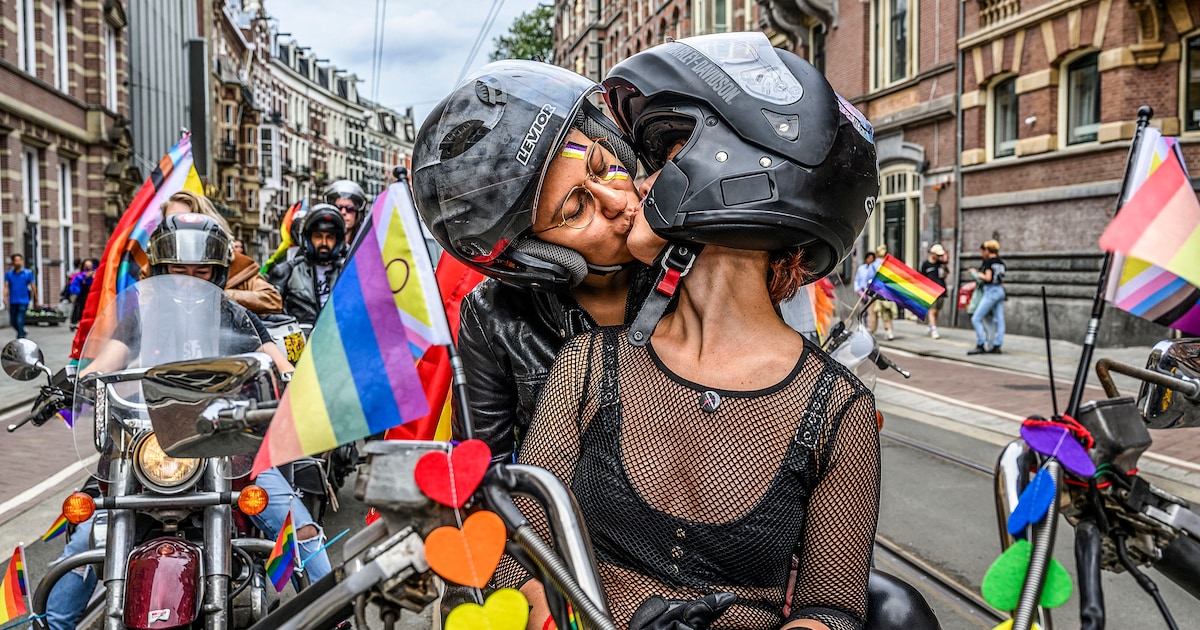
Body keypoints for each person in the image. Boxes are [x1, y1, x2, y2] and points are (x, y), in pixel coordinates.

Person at [507, 33, 882, 630]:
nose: (640, 185)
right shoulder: (587, 365)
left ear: (729, 173)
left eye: (666, 159)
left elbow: (831, 607)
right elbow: (520, 547)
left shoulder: (839, 408)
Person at [46, 215, 327, 630]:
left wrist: (294, 375)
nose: (188, 280)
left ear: (216, 274)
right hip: (148, 441)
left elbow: (271, 352)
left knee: (294, 525)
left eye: (201, 271)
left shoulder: (231, 313)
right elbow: (111, 359)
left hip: (226, 441)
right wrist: (76, 379)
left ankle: (336, 616)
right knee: (89, 531)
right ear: (161, 270)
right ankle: (49, 624)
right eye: (178, 270)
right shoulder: (142, 314)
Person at [412, 60, 647, 464]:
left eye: (601, 165)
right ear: (534, 256)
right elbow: (486, 473)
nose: (617, 200)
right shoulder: (492, 317)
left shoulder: (694, 255)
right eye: (575, 210)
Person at [159, 191, 282, 316]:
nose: (174, 226)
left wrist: (219, 296)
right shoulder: (156, 267)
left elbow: (272, 299)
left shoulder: (239, 266)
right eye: (169, 220)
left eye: (202, 271)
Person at [269, 204, 346, 327]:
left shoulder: (349, 273)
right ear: (308, 239)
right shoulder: (287, 271)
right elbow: (269, 309)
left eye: (330, 237)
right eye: (318, 236)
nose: (324, 243)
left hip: (338, 342)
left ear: (338, 241)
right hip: (301, 342)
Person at [967, 239, 1006, 354]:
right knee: (999, 319)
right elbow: (1002, 279)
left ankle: (980, 344)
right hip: (1000, 290)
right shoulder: (1001, 263)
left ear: (987, 250)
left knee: (976, 318)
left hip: (990, 291)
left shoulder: (988, 262)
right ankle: (997, 345)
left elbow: (988, 278)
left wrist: (978, 274)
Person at [322, 180, 368, 247]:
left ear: (357, 213)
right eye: (338, 208)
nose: (343, 212)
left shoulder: (366, 243)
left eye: (349, 209)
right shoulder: (322, 243)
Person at [919, 244, 948, 339]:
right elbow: (922, 277)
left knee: (936, 311)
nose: (939, 256)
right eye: (938, 254)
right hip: (930, 290)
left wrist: (945, 268)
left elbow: (945, 275)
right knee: (932, 310)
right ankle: (934, 330)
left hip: (941, 289)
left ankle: (930, 325)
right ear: (932, 253)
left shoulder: (941, 264)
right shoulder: (925, 264)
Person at [868, 245, 898, 341]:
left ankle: (872, 331)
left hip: (875, 291)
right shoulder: (889, 265)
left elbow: (869, 278)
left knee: (873, 313)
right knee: (886, 312)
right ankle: (889, 331)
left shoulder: (873, 265)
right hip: (887, 291)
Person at [5, 254, 36, 339]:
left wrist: (36, 299)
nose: (18, 262)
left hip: (23, 300)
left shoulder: (27, 273)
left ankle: (20, 338)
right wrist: (4, 297)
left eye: (19, 260)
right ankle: (22, 331)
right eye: (16, 260)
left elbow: (33, 286)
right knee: (13, 321)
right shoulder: (9, 274)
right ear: (13, 262)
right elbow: (6, 286)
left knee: (19, 320)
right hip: (13, 300)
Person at [68, 259, 95, 330]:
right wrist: (85, 277)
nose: (88, 267)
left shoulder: (95, 274)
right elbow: (74, 284)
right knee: (79, 308)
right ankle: (76, 322)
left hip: (92, 296)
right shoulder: (79, 275)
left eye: (90, 265)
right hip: (82, 296)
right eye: (86, 265)